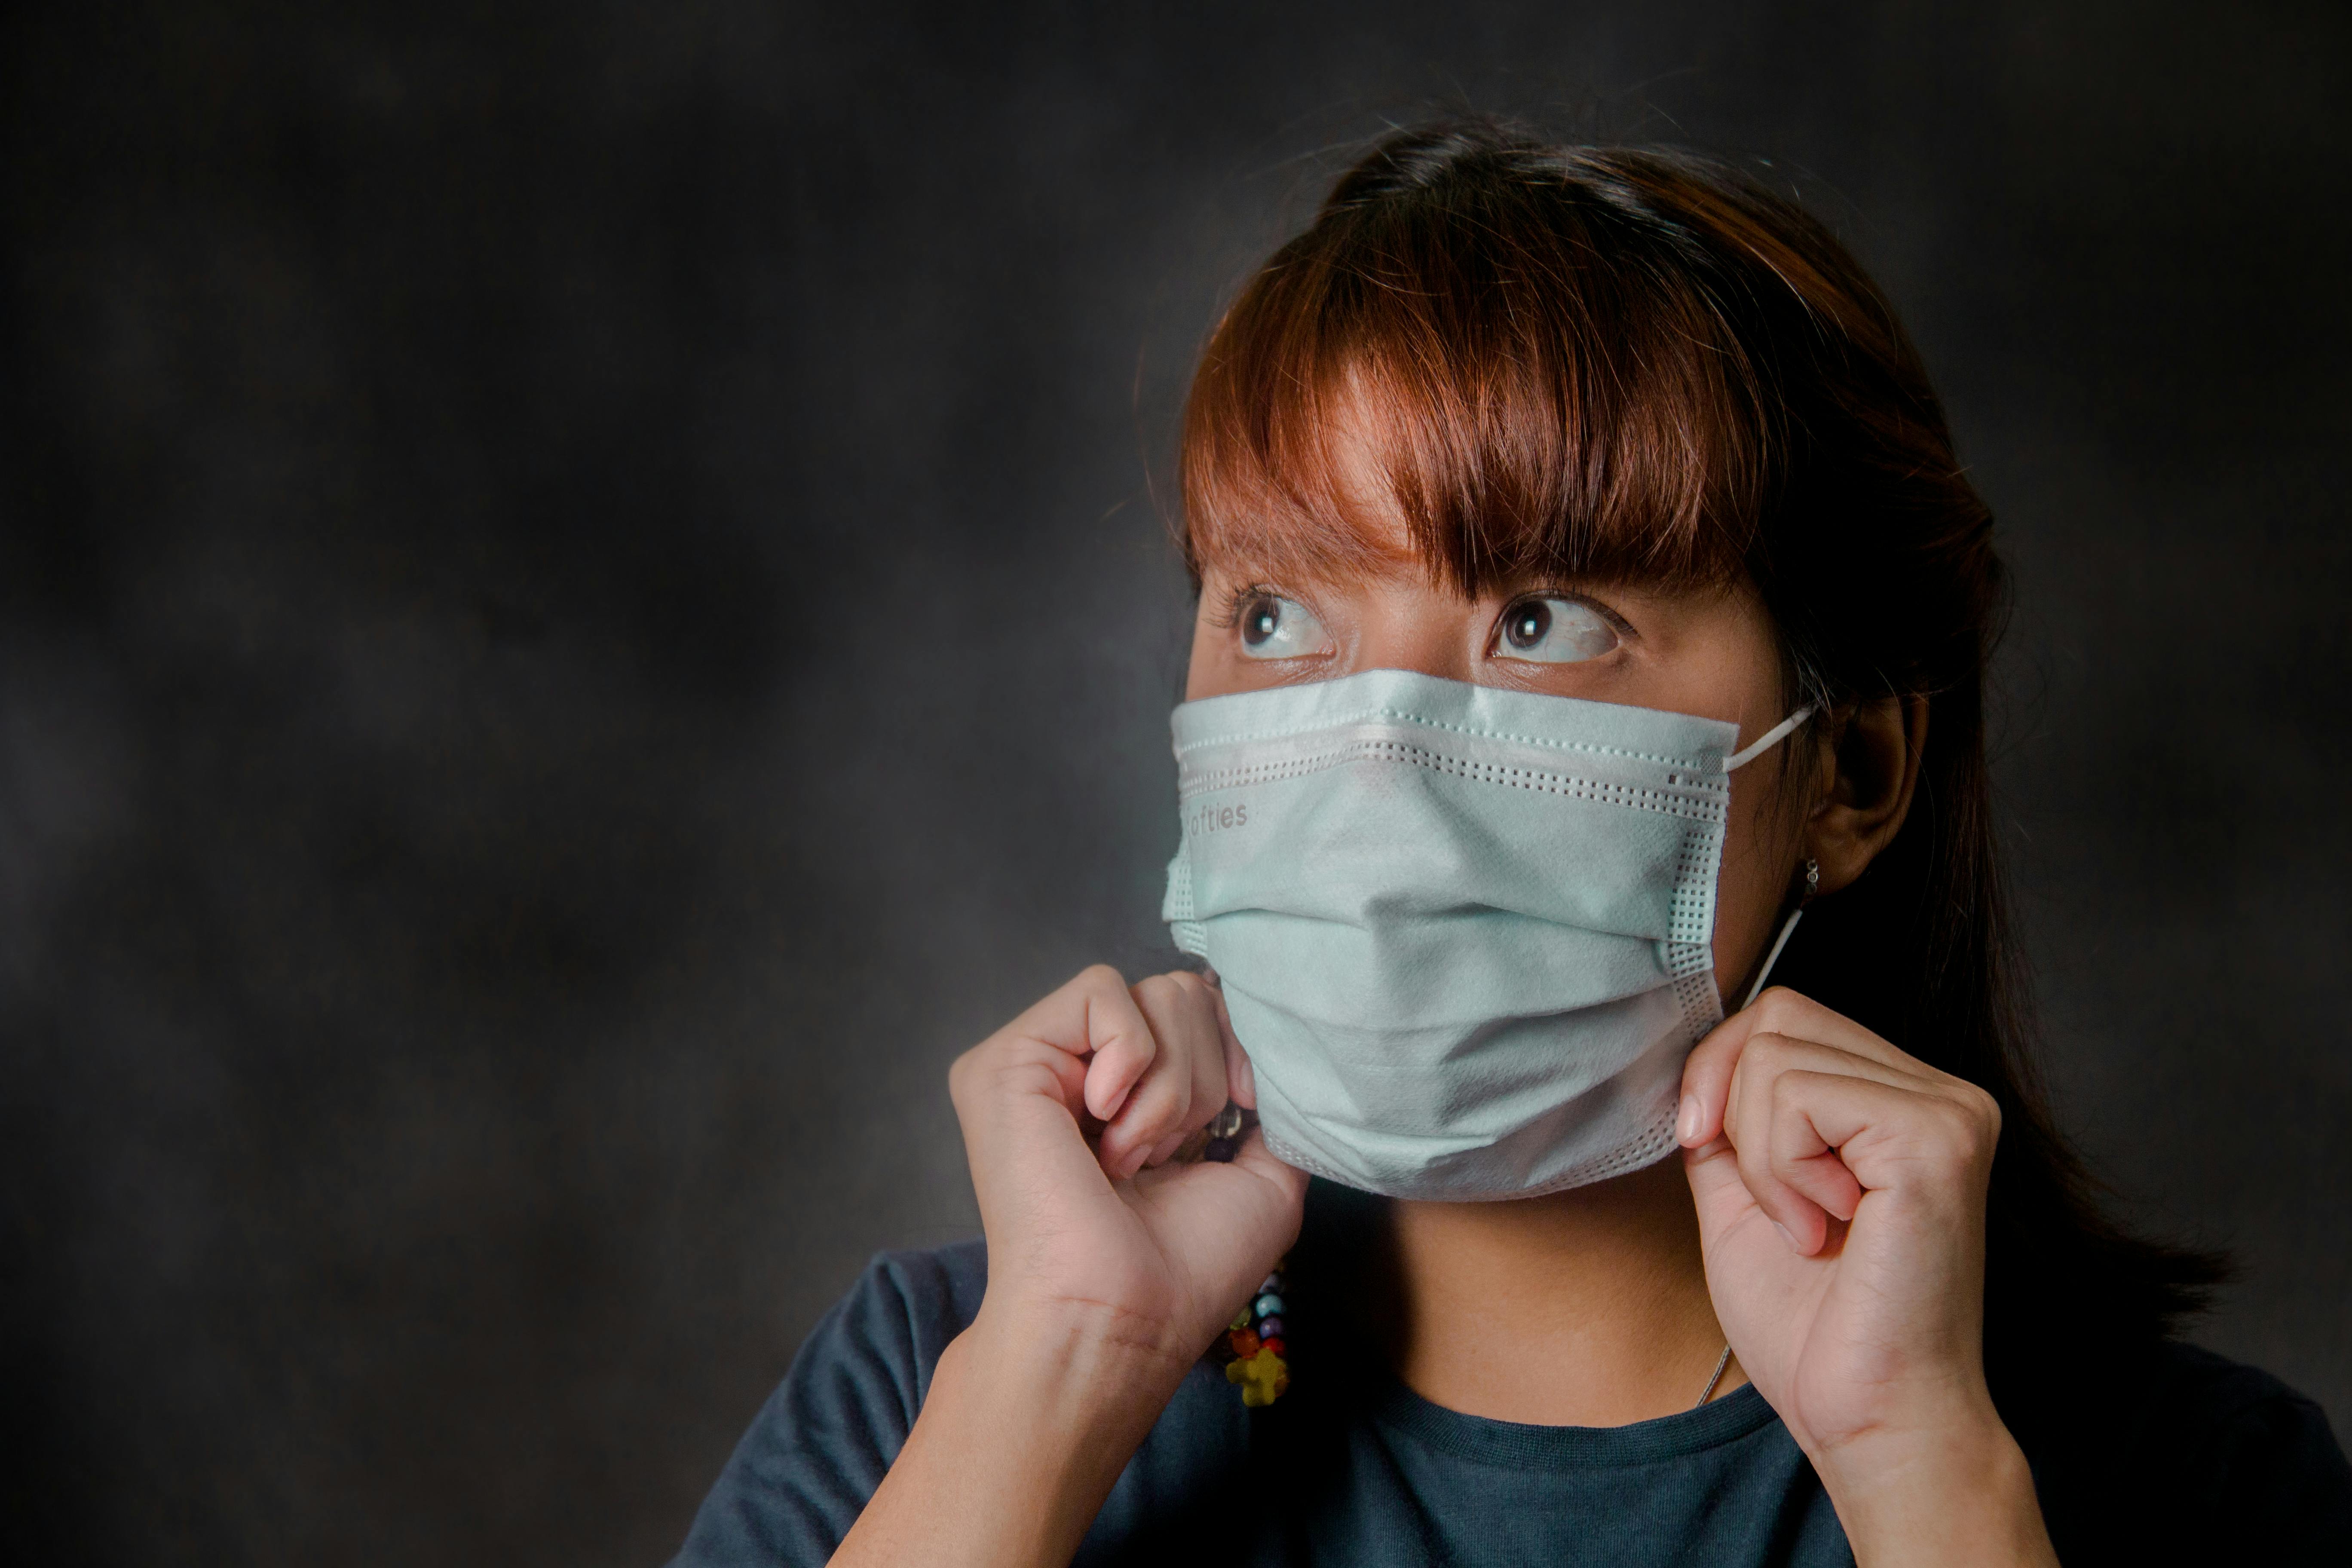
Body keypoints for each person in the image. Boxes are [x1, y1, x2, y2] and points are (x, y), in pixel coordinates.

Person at [670, 119, 2352, 1566]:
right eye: (1274, 614)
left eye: (1543, 618)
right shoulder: (936, 1380)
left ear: (1847, 769)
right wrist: (1056, 1375)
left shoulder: (2180, 1484)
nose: (1381, 751)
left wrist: (1927, 1476)